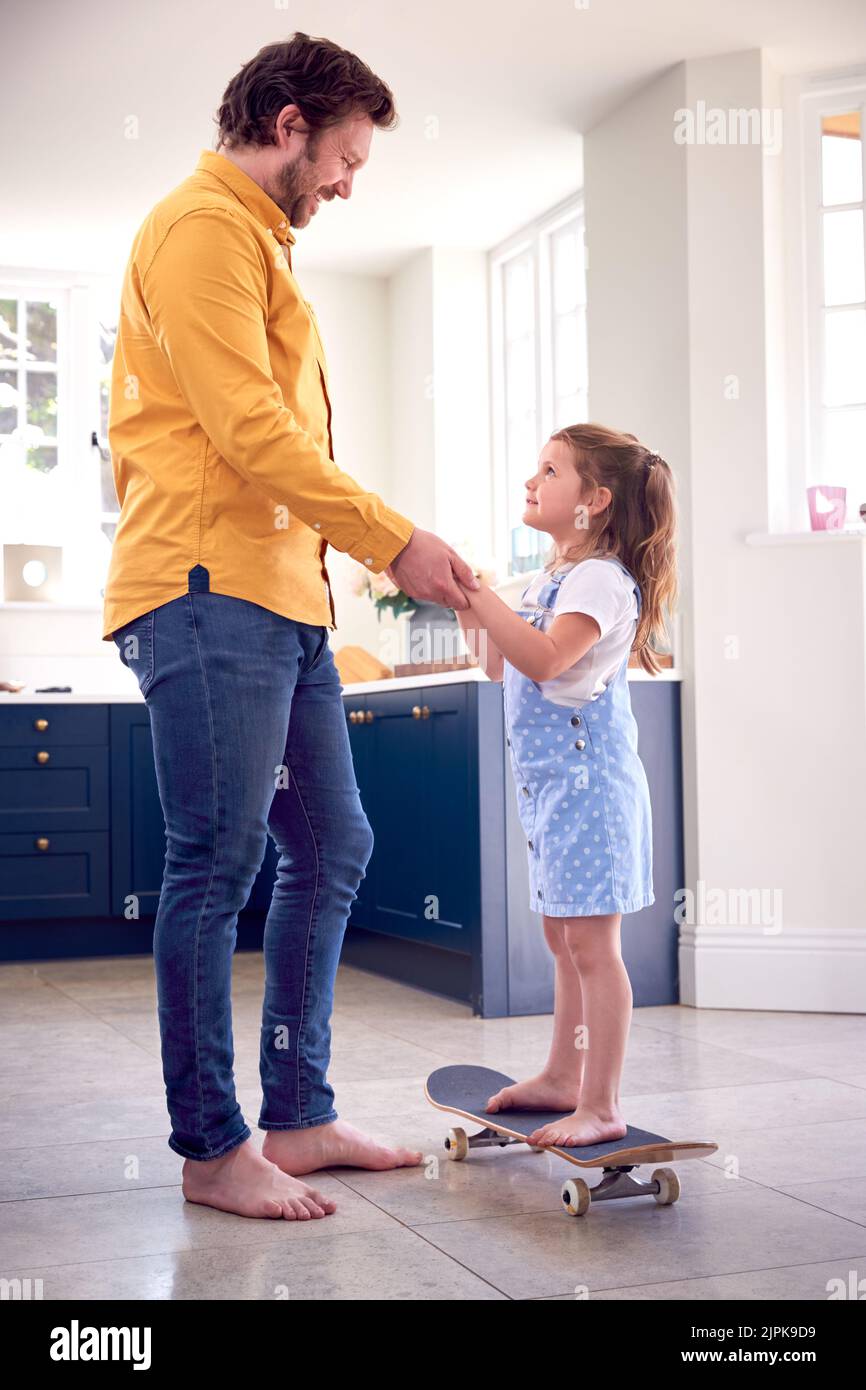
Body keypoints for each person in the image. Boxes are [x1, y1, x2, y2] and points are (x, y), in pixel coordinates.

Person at [102, 33, 479, 1222]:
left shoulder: (254, 243)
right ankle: (213, 1146)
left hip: (280, 598)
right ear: (287, 123)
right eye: (345, 157)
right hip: (208, 592)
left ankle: (299, 1112)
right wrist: (392, 540)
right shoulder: (204, 228)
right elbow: (252, 431)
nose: (348, 181)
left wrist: (340, 562)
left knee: (332, 845)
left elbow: (252, 446)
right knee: (212, 863)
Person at [454, 424, 677, 1147]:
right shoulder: (550, 576)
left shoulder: (601, 581)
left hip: (592, 792)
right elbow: (498, 663)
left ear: (596, 502)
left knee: (591, 946)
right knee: (562, 937)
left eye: (550, 471)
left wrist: (483, 596)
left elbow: (548, 661)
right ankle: (560, 1076)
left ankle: (602, 1102)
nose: (532, 482)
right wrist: (464, 598)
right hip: (553, 792)